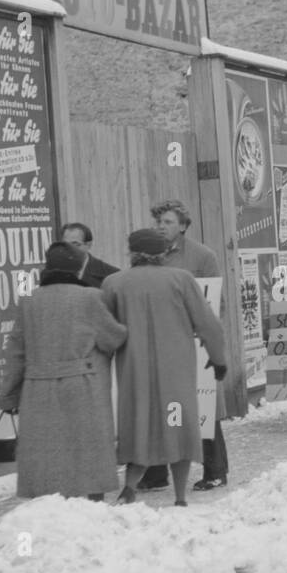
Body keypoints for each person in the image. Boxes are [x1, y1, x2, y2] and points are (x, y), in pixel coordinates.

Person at [102, 229, 227, 507]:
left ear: (132, 253)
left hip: (134, 377)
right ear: (161, 253)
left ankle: (130, 487)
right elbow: (208, 325)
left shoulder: (114, 284)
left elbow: (104, 332)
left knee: (139, 428)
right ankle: (180, 496)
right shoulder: (181, 279)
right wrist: (218, 360)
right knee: (177, 429)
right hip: (175, 376)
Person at [0, 241, 127, 502]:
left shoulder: (29, 301)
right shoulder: (91, 297)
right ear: (78, 270)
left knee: (48, 459)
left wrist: (9, 395)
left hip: (38, 389)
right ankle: (92, 512)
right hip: (82, 385)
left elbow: (16, 351)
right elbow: (112, 339)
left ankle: (49, 513)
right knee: (87, 456)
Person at [150, 197, 230, 490]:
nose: (161, 227)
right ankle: (156, 472)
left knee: (202, 404)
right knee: (160, 404)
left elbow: (216, 302)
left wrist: (206, 336)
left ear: (183, 226)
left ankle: (216, 469)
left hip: (196, 341)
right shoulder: (151, 257)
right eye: (158, 222)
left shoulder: (203, 256)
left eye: (168, 222)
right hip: (163, 342)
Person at [59, 221, 119, 288]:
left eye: (75, 244)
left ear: (88, 245)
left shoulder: (111, 275)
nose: (69, 249)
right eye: (65, 245)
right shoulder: (51, 275)